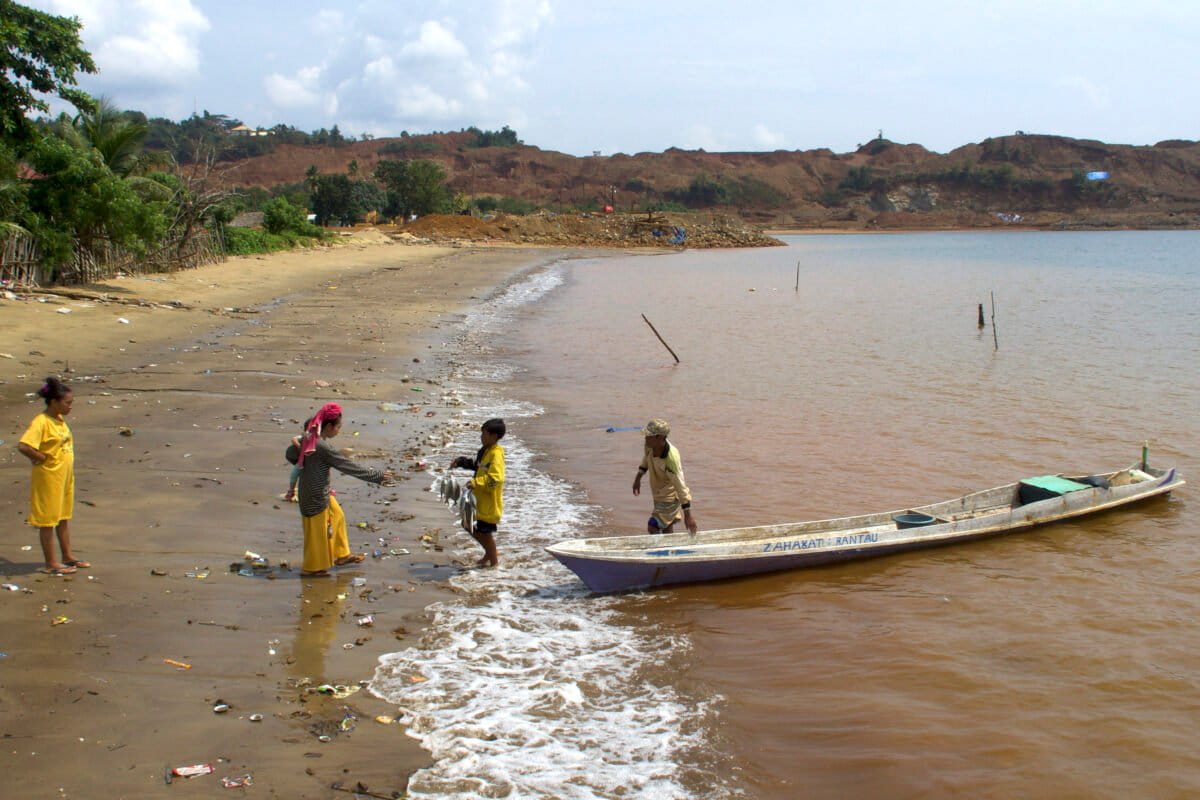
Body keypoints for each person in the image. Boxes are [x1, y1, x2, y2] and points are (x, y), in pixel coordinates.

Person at [286, 403, 393, 577]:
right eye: (338, 427)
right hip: (314, 495)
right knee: (317, 532)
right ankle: (311, 568)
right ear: (328, 426)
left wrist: (305, 459)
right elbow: (347, 466)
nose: (338, 431)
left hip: (319, 490)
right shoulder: (321, 447)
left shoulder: (310, 438)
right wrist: (378, 477)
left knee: (337, 516)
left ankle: (342, 555)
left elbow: (290, 454)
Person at [17, 376, 90, 574]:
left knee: (62, 517)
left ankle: (67, 556)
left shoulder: (58, 420)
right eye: (67, 403)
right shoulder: (41, 422)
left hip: (64, 477)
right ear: (54, 402)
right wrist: (40, 457)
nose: (70, 407)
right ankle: (51, 563)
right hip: (48, 478)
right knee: (48, 521)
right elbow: (23, 445)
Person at [450, 418, 506, 567]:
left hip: (489, 504)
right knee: (467, 523)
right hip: (479, 501)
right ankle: (489, 553)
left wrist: (476, 483)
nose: (482, 437)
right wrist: (461, 462)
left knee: (485, 534)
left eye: (485, 434)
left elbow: (496, 479)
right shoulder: (485, 451)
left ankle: (494, 564)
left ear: (494, 436)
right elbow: (478, 466)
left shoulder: (496, 455)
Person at [632, 418, 697, 535]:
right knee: (667, 526)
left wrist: (688, 516)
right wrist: (637, 479)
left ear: (660, 437)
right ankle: (670, 550)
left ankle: (660, 552)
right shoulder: (650, 445)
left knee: (653, 526)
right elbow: (645, 461)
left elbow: (680, 486)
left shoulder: (671, 459)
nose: (645, 438)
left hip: (670, 497)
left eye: (649, 436)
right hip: (658, 493)